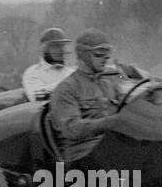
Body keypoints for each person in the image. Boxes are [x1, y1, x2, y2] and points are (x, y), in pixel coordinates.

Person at [48, 29, 128, 163]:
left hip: (111, 146)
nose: (106, 57)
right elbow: (72, 130)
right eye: (100, 53)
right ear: (84, 54)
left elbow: (127, 109)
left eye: (107, 52)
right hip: (82, 156)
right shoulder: (66, 88)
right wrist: (109, 122)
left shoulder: (109, 84)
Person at [22, 27, 75, 101]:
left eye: (62, 45)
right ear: (45, 48)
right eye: (56, 46)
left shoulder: (72, 72)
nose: (61, 49)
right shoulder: (32, 72)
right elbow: (38, 99)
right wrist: (69, 84)